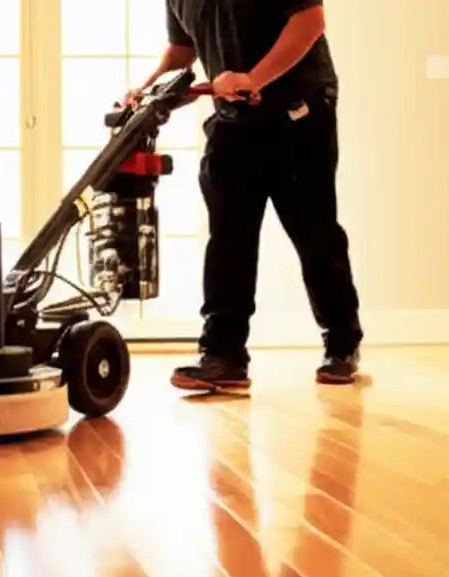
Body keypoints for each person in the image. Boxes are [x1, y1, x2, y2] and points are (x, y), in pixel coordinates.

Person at [126, 0, 364, 388]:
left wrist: (254, 78)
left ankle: (342, 343)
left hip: (299, 111)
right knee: (228, 236)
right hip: (234, 115)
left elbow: (309, 21)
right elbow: (183, 50)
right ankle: (223, 355)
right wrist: (149, 88)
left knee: (314, 232)